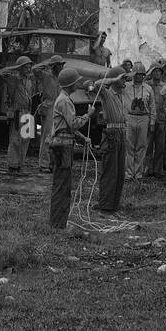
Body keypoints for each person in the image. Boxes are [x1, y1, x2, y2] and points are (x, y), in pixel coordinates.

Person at [47, 67, 101, 229]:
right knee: (62, 186)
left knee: (63, 185)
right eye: (76, 82)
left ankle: (59, 223)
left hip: (62, 146)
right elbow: (73, 124)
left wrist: (83, 138)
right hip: (62, 148)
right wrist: (89, 115)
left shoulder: (64, 99)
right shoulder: (64, 101)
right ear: (69, 83)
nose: (78, 84)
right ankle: (57, 224)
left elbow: (67, 126)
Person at [96, 67, 127, 213]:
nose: (124, 81)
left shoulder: (121, 95)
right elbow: (96, 84)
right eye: (122, 78)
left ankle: (114, 206)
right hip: (111, 134)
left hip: (121, 134)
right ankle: (105, 207)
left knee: (120, 172)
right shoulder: (107, 94)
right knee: (110, 172)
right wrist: (112, 78)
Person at [0, 55, 35, 176]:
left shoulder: (29, 80)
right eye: (26, 67)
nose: (29, 69)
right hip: (17, 112)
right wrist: (17, 67)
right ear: (20, 68)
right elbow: (1, 72)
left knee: (26, 140)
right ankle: (12, 166)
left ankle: (20, 165)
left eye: (30, 67)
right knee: (15, 140)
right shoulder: (13, 79)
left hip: (27, 112)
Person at [33, 55, 65, 175]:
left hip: (58, 107)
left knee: (55, 138)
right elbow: (35, 69)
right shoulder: (46, 75)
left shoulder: (60, 78)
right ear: (54, 66)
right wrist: (47, 63)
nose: (62, 67)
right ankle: (44, 164)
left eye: (62, 64)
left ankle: (52, 163)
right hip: (49, 107)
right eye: (60, 65)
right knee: (46, 137)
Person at [124, 62, 154, 181]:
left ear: (144, 75)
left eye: (141, 74)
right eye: (136, 74)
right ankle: (128, 173)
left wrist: (152, 122)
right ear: (133, 75)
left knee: (141, 146)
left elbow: (152, 107)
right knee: (129, 145)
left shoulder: (148, 89)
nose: (139, 77)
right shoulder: (125, 86)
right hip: (130, 117)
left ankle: (138, 173)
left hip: (143, 117)